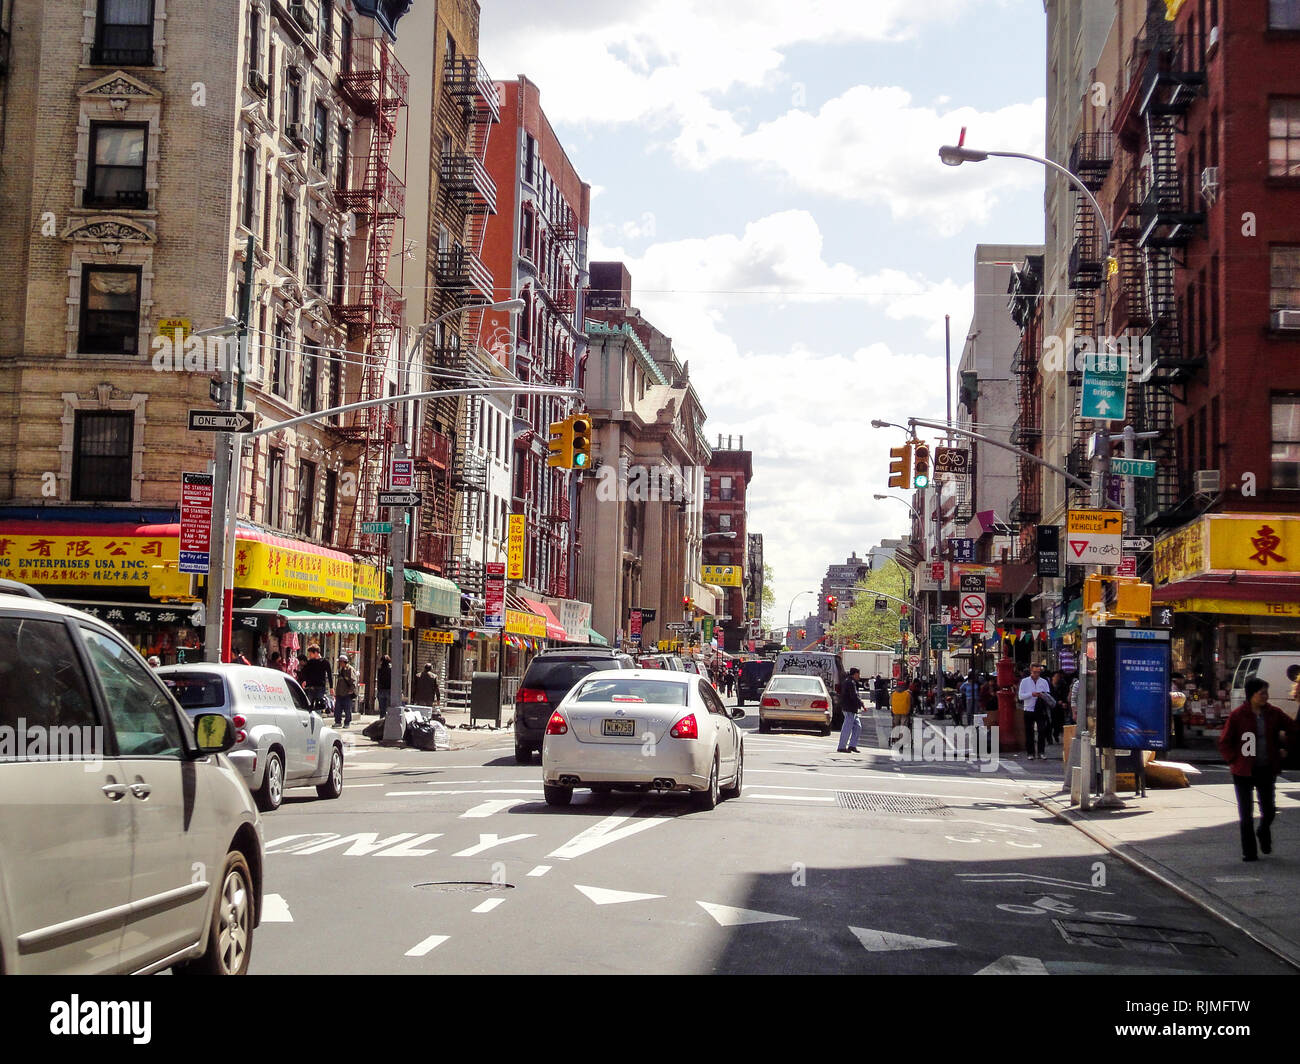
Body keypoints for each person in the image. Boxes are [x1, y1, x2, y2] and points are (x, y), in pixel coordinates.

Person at [1219, 678, 1297, 861]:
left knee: (1269, 809)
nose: (1265, 696)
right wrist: (1233, 760)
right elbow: (1224, 742)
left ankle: (1263, 830)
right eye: (1261, 693)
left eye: (1266, 693)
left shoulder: (1274, 713)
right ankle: (1249, 852)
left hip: (1266, 768)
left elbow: (1293, 728)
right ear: (1251, 694)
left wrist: (1286, 747)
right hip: (1243, 770)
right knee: (1245, 813)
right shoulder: (1238, 715)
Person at [1018, 662, 1053, 760]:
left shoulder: (1044, 682)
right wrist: (1031, 694)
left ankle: (1041, 751)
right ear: (1030, 671)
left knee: (1042, 731)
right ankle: (1030, 752)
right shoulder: (1024, 682)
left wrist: (1042, 695)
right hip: (1028, 708)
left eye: (1038, 672)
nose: (1036, 674)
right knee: (1029, 732)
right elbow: (1020, 696)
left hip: (1040, 709)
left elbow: (1048, 696)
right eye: (1034, 672)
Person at [297, 644, 333, 713]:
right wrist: (304, 680)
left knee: (318, 706)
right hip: (310, 687)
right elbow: (305, 672)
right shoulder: (310, 662)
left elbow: (329, 675)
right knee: (309, 706)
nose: (309, 655)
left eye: (310, 654)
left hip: (320, 687)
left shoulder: (325, 662)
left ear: (316, 653)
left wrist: (331, 687)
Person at [837, 667, 864, 753]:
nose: (859, 676)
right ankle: (841, 746)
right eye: (858, 674)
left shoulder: (850, 681)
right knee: (847, 727)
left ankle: (852, 745)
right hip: (849, 708)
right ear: (855, 674)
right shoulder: (850, 682)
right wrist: (860, 703)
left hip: (851, 708)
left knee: (857, 727)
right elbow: (854, 695)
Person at [334, 654, 358, 728]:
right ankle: (338, 722)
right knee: (337, 709)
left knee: (347, 709)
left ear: (344, 662)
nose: (339, 664)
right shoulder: (340, 670)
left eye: (340, 662)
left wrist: (351, 690)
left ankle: (347, 723)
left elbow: (353, 681)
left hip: (347, 694)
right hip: (339, 693)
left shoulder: (350, 669)